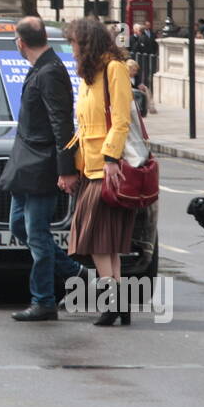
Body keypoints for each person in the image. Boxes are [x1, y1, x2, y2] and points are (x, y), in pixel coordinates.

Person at [0, 17, 87, 321]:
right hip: (26, 164)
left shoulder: (50, 72)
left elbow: (62, 124)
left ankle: (44, 300)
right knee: (18, 226)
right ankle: (78, 274)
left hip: (42, 165)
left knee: (36, 233)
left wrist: (66, 169)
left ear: (21, 42)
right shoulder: (43, 67)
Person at [61, 17, 135, 327]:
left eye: (75, 44)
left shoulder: (113, 70)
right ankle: (120, 303)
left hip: (107, 167)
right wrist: (68, 164)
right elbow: (84, 127)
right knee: (105, 242)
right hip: (90, 167)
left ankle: (113, 301)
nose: (72, 50)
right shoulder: (88, 76)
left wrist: (110, 159)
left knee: (96, 239)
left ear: (87, 44)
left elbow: (120, 121)